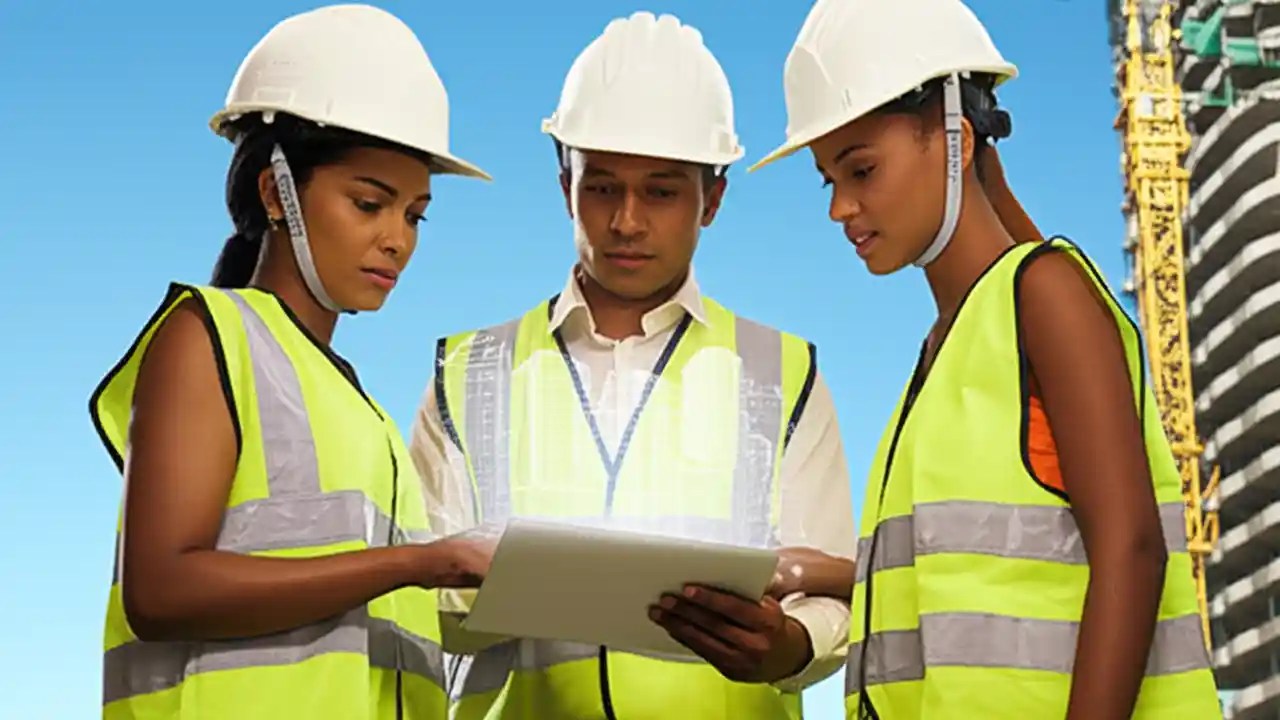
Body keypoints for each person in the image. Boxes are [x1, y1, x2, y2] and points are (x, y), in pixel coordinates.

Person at [749, 0, 1223, 718]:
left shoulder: (1046, 296)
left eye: (862, 170)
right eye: (828, 179)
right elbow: (978, 575)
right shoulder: (951, 344)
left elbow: (1131, 549)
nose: (839, 208)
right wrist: (844, 576)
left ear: (956, 142)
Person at [408, 11, 856, 720]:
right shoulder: (467, 373)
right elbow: (416, 593)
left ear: (712, 199)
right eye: (602, 186)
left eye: (661, 191)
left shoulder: (783, 371)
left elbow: (826, 593)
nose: (626, 221)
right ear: (565, 186)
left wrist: (792, 647)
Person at [87, 6, 496, 719]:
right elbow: (159, 593)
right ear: (277, 193)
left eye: (415, 214)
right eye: (370, 203)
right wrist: (422, 563)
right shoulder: (206, 336)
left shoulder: (352, 402)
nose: (397, 240)